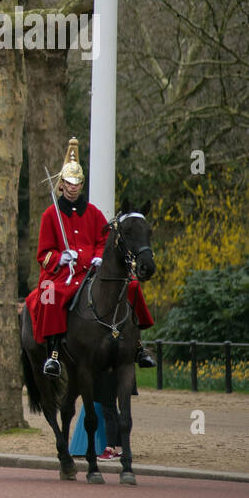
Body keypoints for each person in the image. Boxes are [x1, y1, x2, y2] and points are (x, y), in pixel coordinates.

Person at [23, 138, 155, 376]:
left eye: (77, 183)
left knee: (132, 286)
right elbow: (43, 254)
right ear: (62, 185)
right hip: (61, 274)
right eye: (69, 183)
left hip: (91, 271)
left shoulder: (93, 213)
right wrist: (60, 257)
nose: (73, 188)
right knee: (50, 296)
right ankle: (53, 354)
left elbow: (103, 242)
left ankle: (137, 346)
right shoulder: (50, 215)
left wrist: (97, 257)